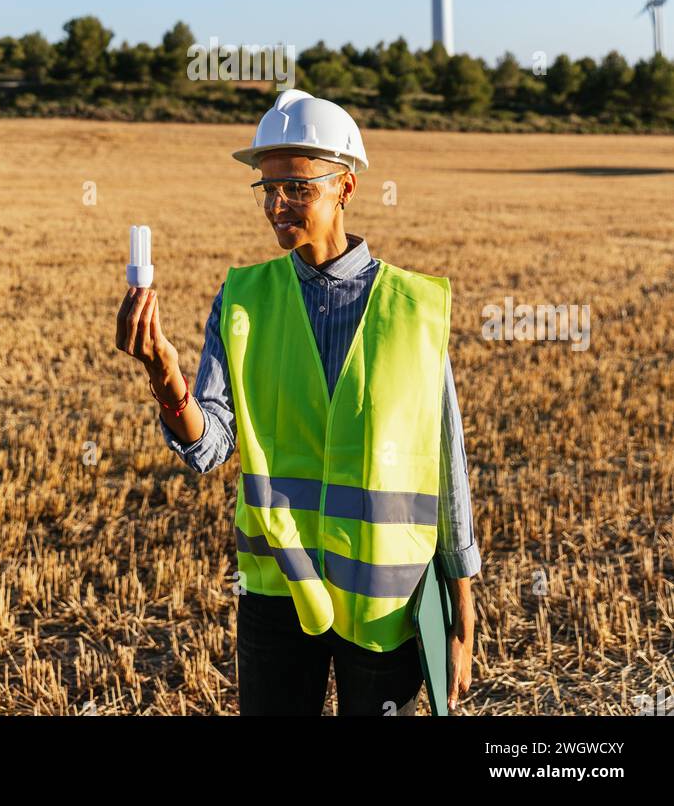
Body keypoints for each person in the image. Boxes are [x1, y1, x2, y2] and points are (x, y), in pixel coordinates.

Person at [115, 89, 480, 716]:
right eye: (267, 189)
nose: (277, 206)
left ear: (347, 188)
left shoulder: (415, 310)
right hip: (277, 592)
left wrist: (463, 615)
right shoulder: (243, 299)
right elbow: (210, 446)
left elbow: (447, 467)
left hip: (386, 602)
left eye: (297, 189)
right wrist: (163, 375)